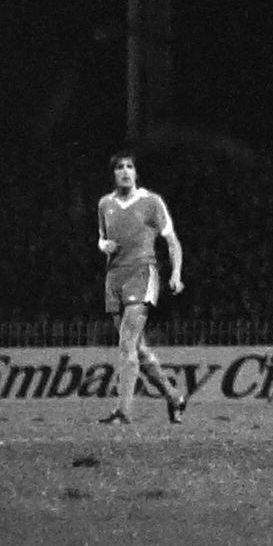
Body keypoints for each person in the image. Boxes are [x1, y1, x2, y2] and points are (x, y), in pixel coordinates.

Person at [96, 150, 188, 425]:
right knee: (139, 349)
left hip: (142, 273)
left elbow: (172, 241)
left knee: (126, 344)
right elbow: (102, 238)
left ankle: (123, 411)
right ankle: (174, 397)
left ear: (136, 173)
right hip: (114, 277)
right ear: (113, 174)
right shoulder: (105, 204)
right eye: (119, 167)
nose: (124, 171)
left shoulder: (151, 202)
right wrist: (104, 246)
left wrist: (176, 273)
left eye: (129, 167)